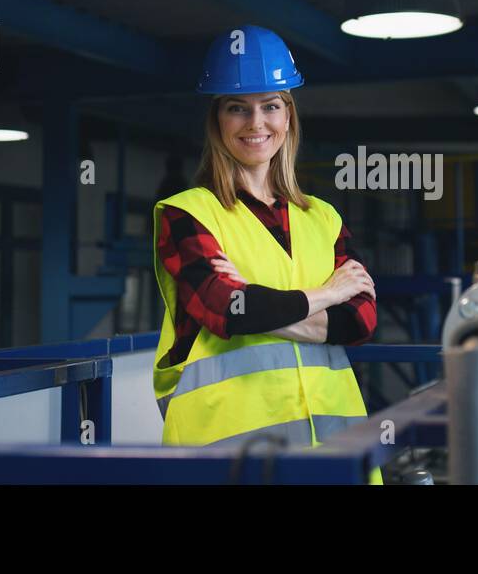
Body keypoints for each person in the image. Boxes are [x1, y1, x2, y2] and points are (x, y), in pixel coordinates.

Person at [151, 25, 382, 484]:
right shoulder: (188, 214)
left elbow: (361, 322)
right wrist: (325, 294)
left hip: (332, 455)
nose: (257, 123)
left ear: (288, 117)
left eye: (270, 106)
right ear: (217, 120)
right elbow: (225, 310)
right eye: (238, 108)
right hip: (229, 459)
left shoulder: (324, 218)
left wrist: (257, 304)